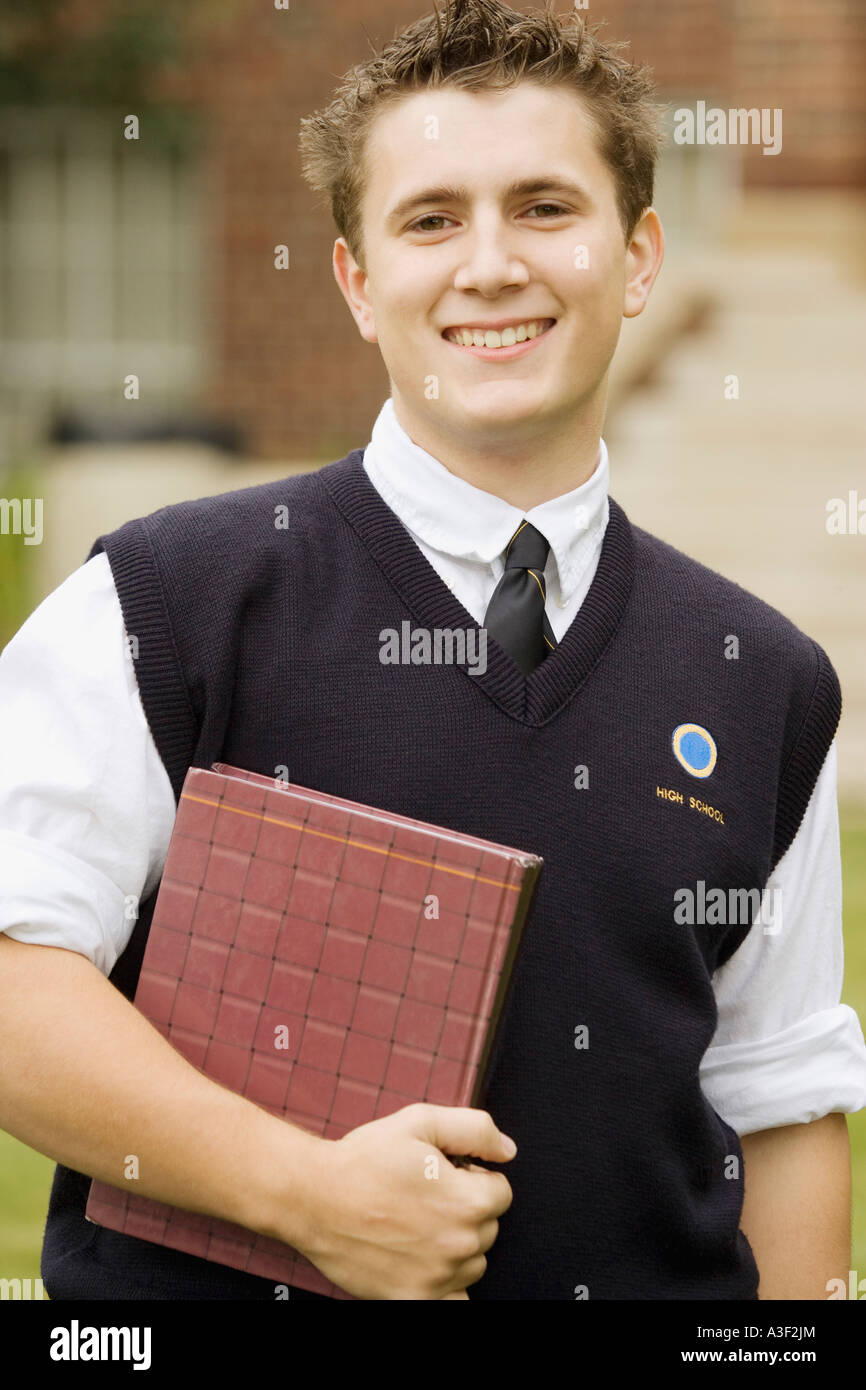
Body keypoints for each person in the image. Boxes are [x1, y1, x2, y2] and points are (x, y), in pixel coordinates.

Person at [1, 0, 865, 1301]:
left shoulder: (765, 676)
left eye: (543, 207)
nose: (490, 263)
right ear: (356, 280)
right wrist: (306, 1196)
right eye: (429, 219)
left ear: (637, 258)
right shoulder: (165, 599)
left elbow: (783, 1101)